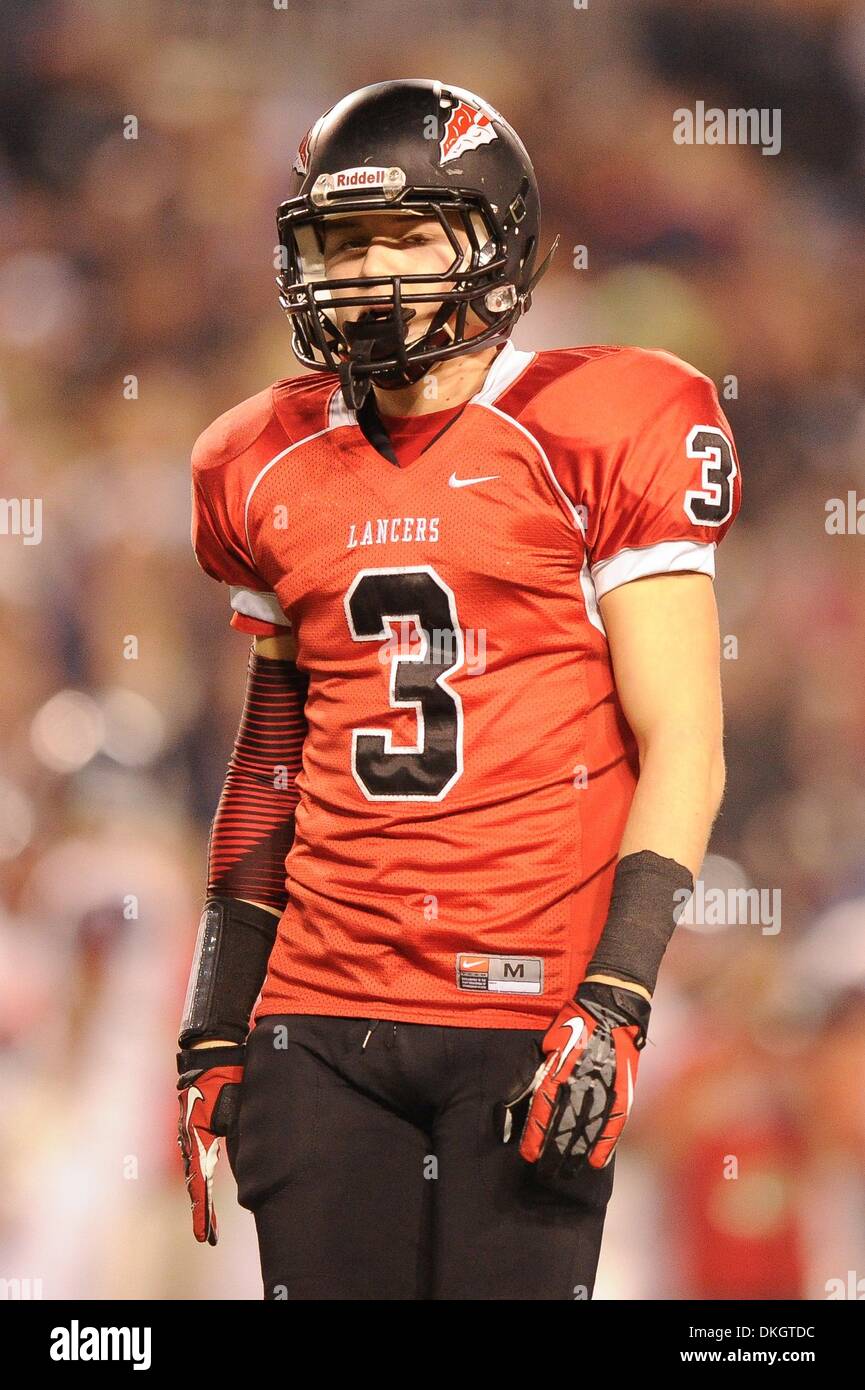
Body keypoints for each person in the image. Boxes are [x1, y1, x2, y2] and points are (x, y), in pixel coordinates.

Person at [176, 78, 741, 1301]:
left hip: (531, 1009)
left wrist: (618, 997)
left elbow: (684, 741)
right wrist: (214, 1015)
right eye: (337, 242)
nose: (362, 273)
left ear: (495, 245)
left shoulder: (600, 421)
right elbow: (271, 753)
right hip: (318, 1014)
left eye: (401, 236)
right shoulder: (255, 455)